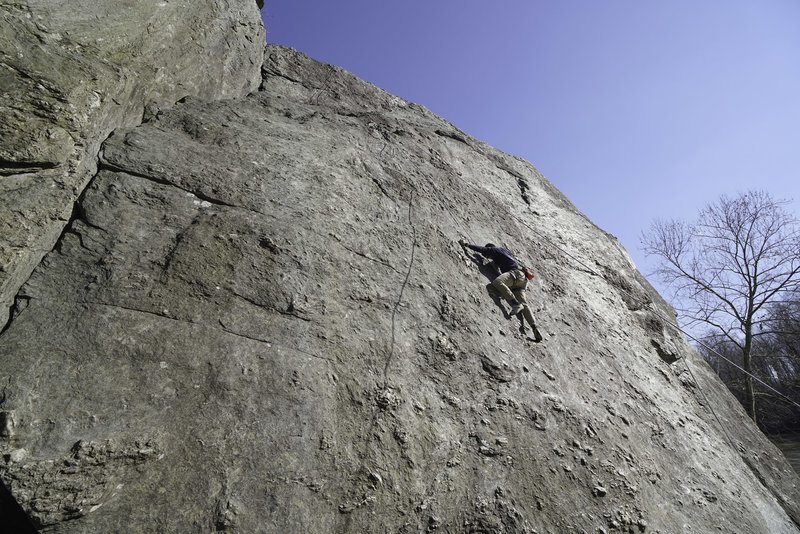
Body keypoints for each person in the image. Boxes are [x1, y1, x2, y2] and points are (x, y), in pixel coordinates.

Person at [459, 240, 543, 342]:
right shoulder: (504, 252)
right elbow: (500, 267)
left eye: (487, 256)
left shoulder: (494, 250)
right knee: (524, 304)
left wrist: (467, 245)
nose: (488, 258)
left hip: (514, 275)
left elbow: (481, 249)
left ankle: (515, 304)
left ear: (490, 251)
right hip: (522, 280)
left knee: (498, 282)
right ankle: (534, 326)